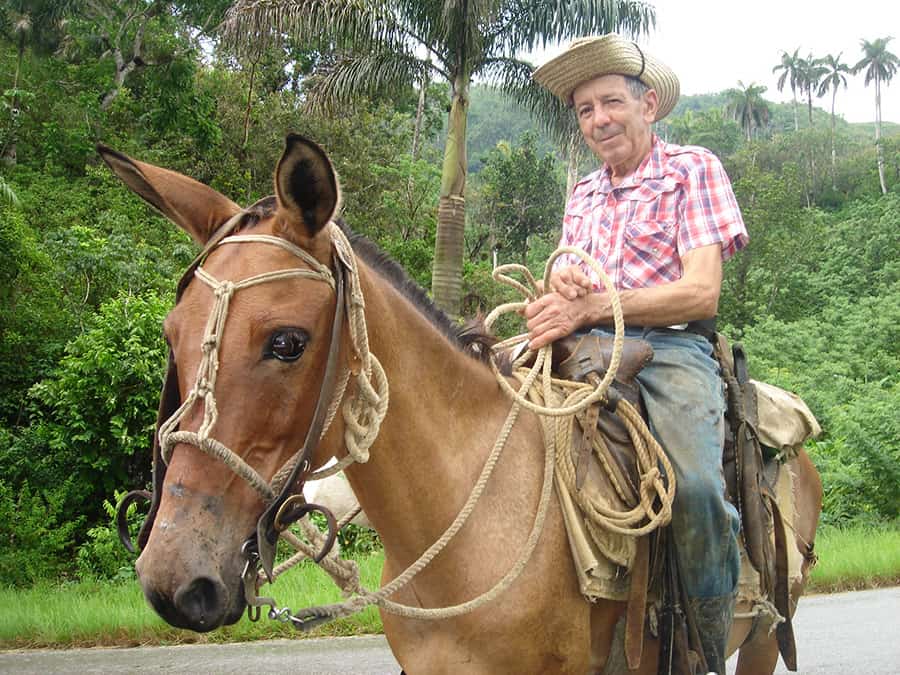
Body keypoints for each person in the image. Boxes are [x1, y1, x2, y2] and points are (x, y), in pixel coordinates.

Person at [530, 34, 747, 674]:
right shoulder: (584, 194)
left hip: (671, 347)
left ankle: (708, 638)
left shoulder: (692, 168)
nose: (599, 120)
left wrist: (597, 305)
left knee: (699, 488)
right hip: (586, 343)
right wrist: (561, 285)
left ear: (648, 103)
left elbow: (701, 288)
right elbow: (572, 277)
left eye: (611, 103)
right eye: (585, 110)